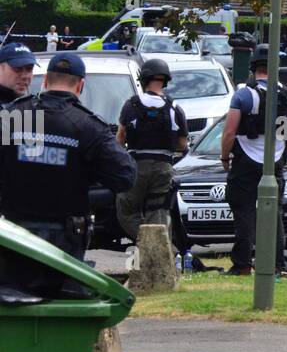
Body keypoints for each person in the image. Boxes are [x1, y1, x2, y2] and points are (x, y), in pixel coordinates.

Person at [0, 52, 135, 261]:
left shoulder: (16, 116)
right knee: (62, 291)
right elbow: (125, 176)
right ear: (80, 85)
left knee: (13, 289)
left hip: (15, 232)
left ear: (45, 81)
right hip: (65, 236)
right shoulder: (87, 126)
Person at [220, 44, 287, 277]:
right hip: (275, 160)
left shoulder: (244, 94)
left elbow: (229, 132)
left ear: (253, 66)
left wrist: (225, 156)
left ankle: (243, 264)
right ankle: (276, 265)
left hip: (245, 159)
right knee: (274, 213)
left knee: (243, 211)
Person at [116, 57, 189, 242]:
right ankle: (158, 251)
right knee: (157, 214)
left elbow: (120, 138)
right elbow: (182, 144)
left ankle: (147, 244)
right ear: (165, 80)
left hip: (136, 166)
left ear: (143, 80)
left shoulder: (131, 105)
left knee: (126, 210)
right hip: (163, 167)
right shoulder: (175, 108)